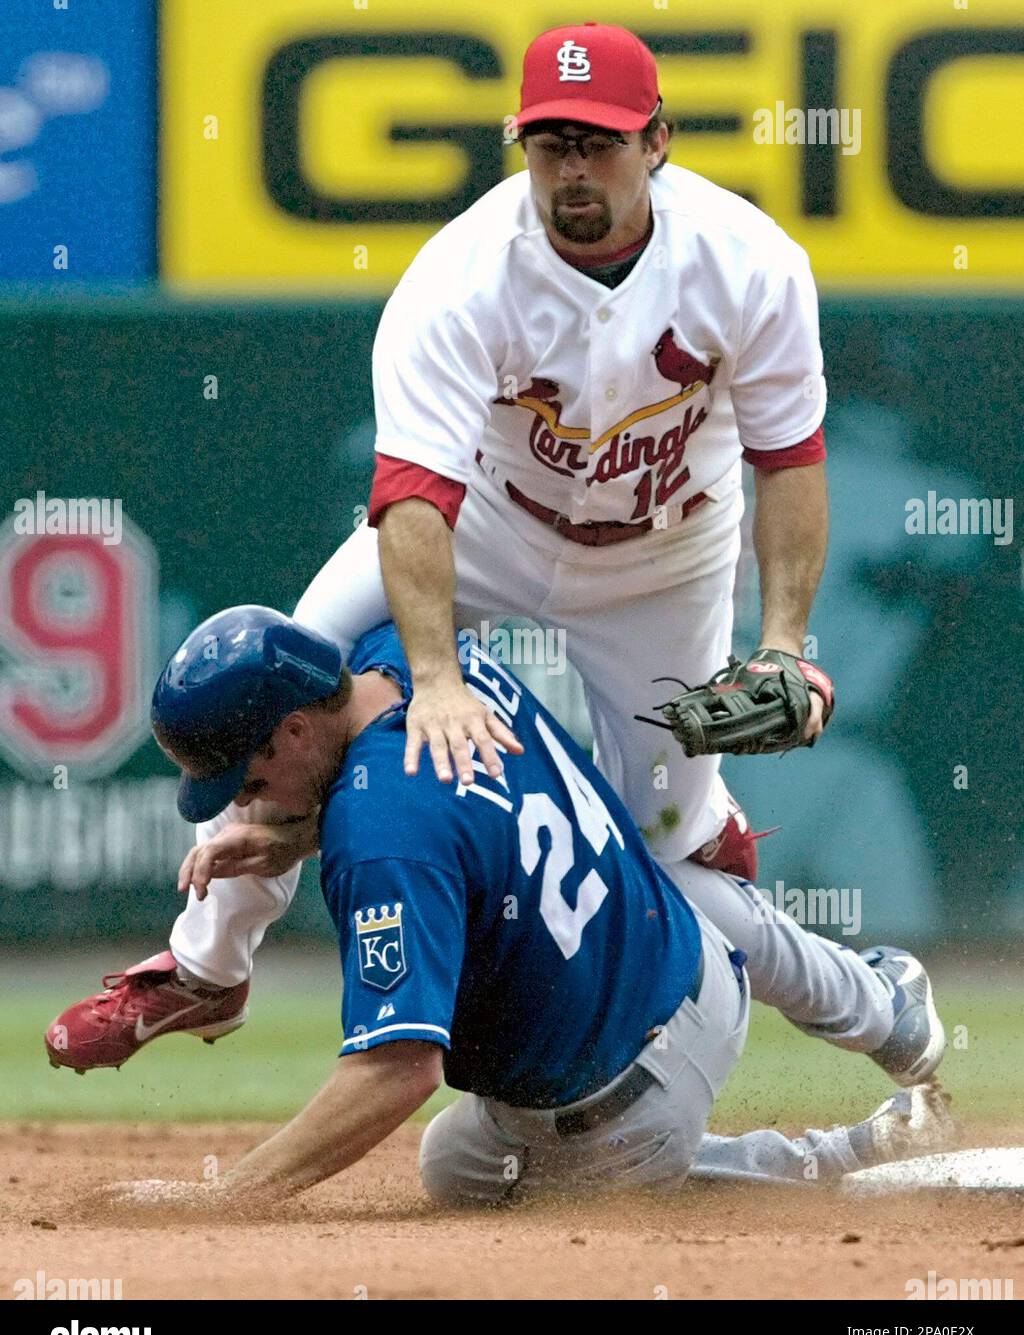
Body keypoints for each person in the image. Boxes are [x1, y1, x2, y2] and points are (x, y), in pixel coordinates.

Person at [44, 23, 894, 1074]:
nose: (574, 168)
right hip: (485, 526)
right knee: (278, 683)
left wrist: (784, 641)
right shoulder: (458, 277)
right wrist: (435, 678)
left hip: (663, 555)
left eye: (601, 141)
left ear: (659, 140)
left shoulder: (749, 262)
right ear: (520, 145)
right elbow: (408, 498)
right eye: (551, 144)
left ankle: (833, 987)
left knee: (672, 843)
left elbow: (790, 460)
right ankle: (204, 968)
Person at [50, 608, 951, 1206]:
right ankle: (879, 1005)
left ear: (293, 729)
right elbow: (455, 820)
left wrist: (225, 1198)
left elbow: (395, 1071)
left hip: (626, 1105)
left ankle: (851, 1158)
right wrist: (301, 837)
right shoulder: (416, 654)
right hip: (691, 958)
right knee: (457, 1160)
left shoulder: (377, 836)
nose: (254, 803)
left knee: (589, 1171)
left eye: (252, 780)